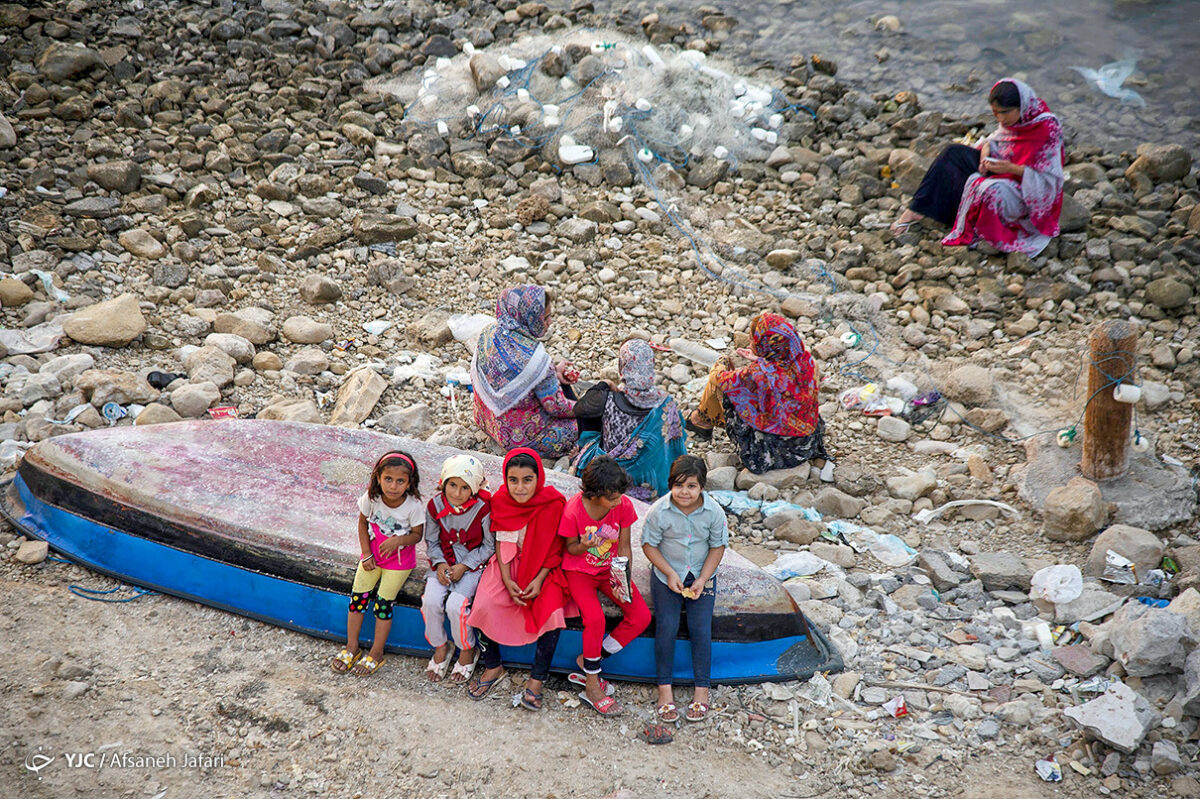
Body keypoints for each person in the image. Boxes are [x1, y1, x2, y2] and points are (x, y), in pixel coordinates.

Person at [891, 78, 1065, 256]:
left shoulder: (1047, 128)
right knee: (953, 153)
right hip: (1001, 169)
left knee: (989, 190)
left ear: (1023, 107)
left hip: (1024, 188)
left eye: (1005, 112)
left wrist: (1010, 168)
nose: (1001, 118)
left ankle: (979, 226)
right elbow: (999, 139)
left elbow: (1049, 179)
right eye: (995, 113)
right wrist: (986, 151)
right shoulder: (1012, 121)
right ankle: (916, 210)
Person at [467, 449, 571, 710]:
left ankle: (537, 680)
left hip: (544, 567)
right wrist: (505, 578)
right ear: (506, 478)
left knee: (553, 615)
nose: (520, 487)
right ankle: (493, 665)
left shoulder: (553, 503)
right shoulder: (502, 500)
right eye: (513, 480)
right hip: (508, 562)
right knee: (483, 604)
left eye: (527, 479)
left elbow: (556, 547)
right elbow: (503, 542)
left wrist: (539, 579)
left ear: (539, 478)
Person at [685, 313, 833, 479]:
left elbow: (718, 379)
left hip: (770, 453)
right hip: (806, 444)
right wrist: (760, 359)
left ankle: (701, 420)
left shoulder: (758, 375)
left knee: (728, 389)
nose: (750, 342)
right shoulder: (806, 361)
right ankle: (700, 420)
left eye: (753, 340)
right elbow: (779, 374)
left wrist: (720, 363)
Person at [559, 457, 651, 716]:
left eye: (620, 495)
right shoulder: (574, 510)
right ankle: (592, 684)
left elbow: (623, 546)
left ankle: (590, 659)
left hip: (610, 571)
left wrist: (624, 577)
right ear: (596, 494)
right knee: (595, 620)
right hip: (579, 572)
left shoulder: (623, 506)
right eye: (611, 497)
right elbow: (570, 549)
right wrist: (586, 545)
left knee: (641, 616)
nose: (618, 501)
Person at [642, 455, 727, 723]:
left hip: (702, 574)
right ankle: (664, 690)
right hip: (667, 573)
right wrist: (668, 572)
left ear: (702, 486)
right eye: (678, 485)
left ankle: (701, 690)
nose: (684, 492)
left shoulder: (714, 512)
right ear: (671, 485)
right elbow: (649, 545)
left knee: (700, 629)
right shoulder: (659, 511)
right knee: (666, 627)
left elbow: (717, 546)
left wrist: (703, 578)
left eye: (691, 486)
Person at [330, 451, 425, 676]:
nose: (393, 486)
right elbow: (362, 523)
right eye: (388, 479)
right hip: (373, 557)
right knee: (357, 599)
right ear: (378, 478)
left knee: (383, 603)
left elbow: (417, 535)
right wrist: (366, 553)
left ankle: (376, 652)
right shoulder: (372, 498)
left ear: (409, 482)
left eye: (400, 481)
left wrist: (398, 541)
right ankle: (351, 646)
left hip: (399, 562)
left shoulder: (413, 506)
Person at [471, 285, 580, 458]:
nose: (549, 323)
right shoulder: (537, 360)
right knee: (583, 424)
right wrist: (587, 407)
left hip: (487, 419)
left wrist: (553, 373)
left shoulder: (488, 332)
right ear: (529, 318)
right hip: (518, 440)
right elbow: (556, 407)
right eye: (545, 318)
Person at [572, 339, 687, 501]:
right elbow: (677, 439)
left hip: (608, 476)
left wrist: (604, 384)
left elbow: (579, 408)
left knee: (592, 415)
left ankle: (580, 450)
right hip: (652, 482)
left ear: (622, 365)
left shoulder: (609, 400)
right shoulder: (665, 403)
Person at [421, 454, 494, 683]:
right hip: (442, 559)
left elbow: (488, 546)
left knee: (457, 604)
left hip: (472, 563)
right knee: (430, 601)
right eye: (452, 485)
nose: (457, 493)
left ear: (474, 488)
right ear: (444, 482)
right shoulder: (435, 505)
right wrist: (440, 563)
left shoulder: (483, 508)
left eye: (465, 487)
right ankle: (441, 646)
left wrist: (464, 566)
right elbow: (431, 541)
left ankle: (466, 649)